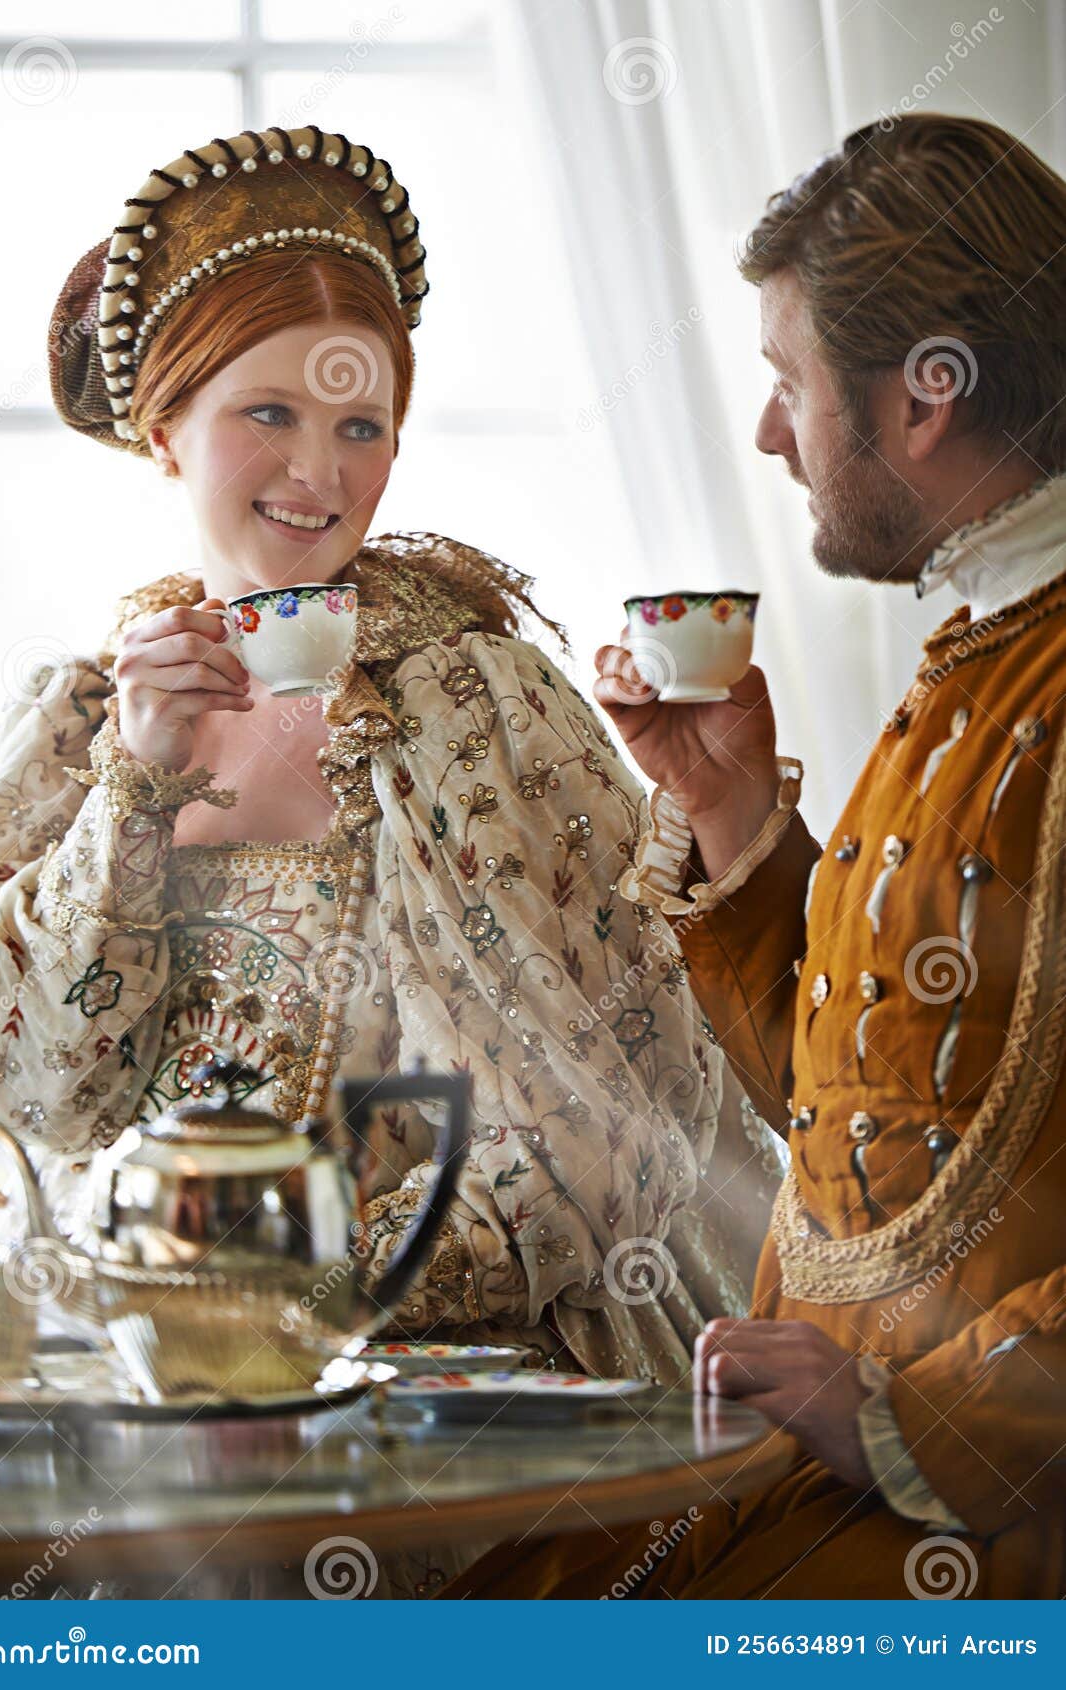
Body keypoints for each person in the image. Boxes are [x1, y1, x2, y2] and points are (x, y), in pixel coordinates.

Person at [0, 122, 782, 1598]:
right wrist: (131, 795)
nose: (321, 474)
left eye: (361, 425)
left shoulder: (481, 704)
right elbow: (17, 1087)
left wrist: (306, 1307)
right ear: (162, 427)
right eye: (270, 414)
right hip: (188, 1403)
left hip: (486, 1414)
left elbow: (617, 1125)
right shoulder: (75, 730)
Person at [443, 113, 1066, 1600]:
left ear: (926, 398)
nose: (768, 432)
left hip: (983, 1516)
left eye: (788, 380)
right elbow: (870, 1105)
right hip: (816, 1455)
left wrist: (911, 1420)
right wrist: (729, 812)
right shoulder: (979, 653)